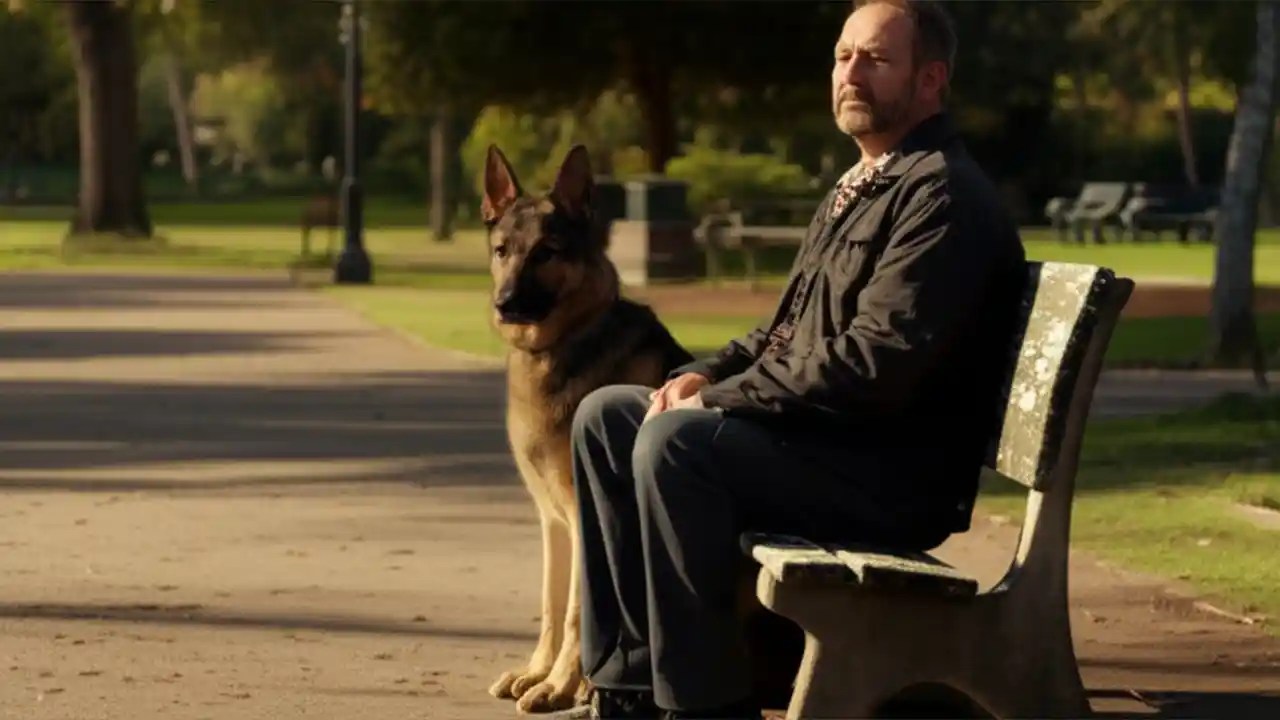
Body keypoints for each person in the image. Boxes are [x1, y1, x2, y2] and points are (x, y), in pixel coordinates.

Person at [568, 1, 1027, 718]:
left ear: (931, 80)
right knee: (607, 417)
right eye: (843, 56)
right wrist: (706, 374)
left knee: (675, 442)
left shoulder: (939, 195)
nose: (851, 73)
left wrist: (715, 404)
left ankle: (704, 704)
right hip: (830, 445)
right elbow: (782, 332)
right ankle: (627, 686)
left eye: (876, 59)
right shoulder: (868, 181)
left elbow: (874, 363)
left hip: (889, 473)